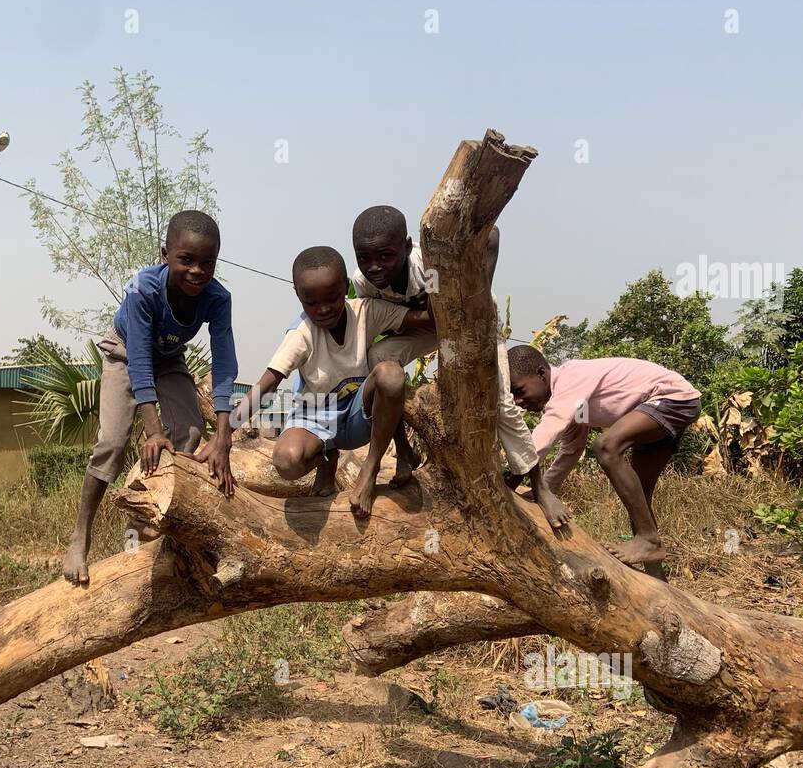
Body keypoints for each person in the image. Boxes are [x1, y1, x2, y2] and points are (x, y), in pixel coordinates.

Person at [351, 204, 568, 530]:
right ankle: (403, 451)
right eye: (364, 258)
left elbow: (491, 234)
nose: (374, 267)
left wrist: (476, 291)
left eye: (385, 256)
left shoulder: (432, 266)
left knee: (501, 404)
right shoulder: (364, 282)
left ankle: (539, 483)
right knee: (379, 358)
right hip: (427, 328)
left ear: (407, 247)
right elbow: (386, 322)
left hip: (474, 324)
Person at [61, 210, 237, 585]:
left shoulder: (219, 299)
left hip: (169, 359)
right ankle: (80, 535)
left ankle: (140, 526)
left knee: (189, 433)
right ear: (165, 255)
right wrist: (153, 429)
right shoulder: (144, 289)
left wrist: (223, 435)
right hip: (126, 352)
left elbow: (224, 365)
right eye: (186, 260)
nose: (197, 271)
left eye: (208, 263)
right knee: (112, 442)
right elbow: (139, 358)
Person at [234, 245, 430, 518]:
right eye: (311, 302)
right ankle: (327, 458)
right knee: (286, 462)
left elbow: (421, 319)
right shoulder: (302, 333)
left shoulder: (365, 312)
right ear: (298, 295)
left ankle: (370, 471)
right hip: (315, 418)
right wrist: (224, 433)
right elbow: (268, 383)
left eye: (333, 298)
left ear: (346, 288)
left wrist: (441, 292)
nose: (323, 309)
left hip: (358, 415)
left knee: (391, 374)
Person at [507, 346, 701, 565]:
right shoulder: (576, 403)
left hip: (671, 399)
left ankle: (648, 540)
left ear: (541, 374)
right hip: (658, 409)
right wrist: (545, 490)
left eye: (520, 391)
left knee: (606, 446)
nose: (517, 401)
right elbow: (572, 448)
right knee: (638, 498)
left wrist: (514, 476)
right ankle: (657, 579)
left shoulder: (570, 379)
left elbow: (549, 428)